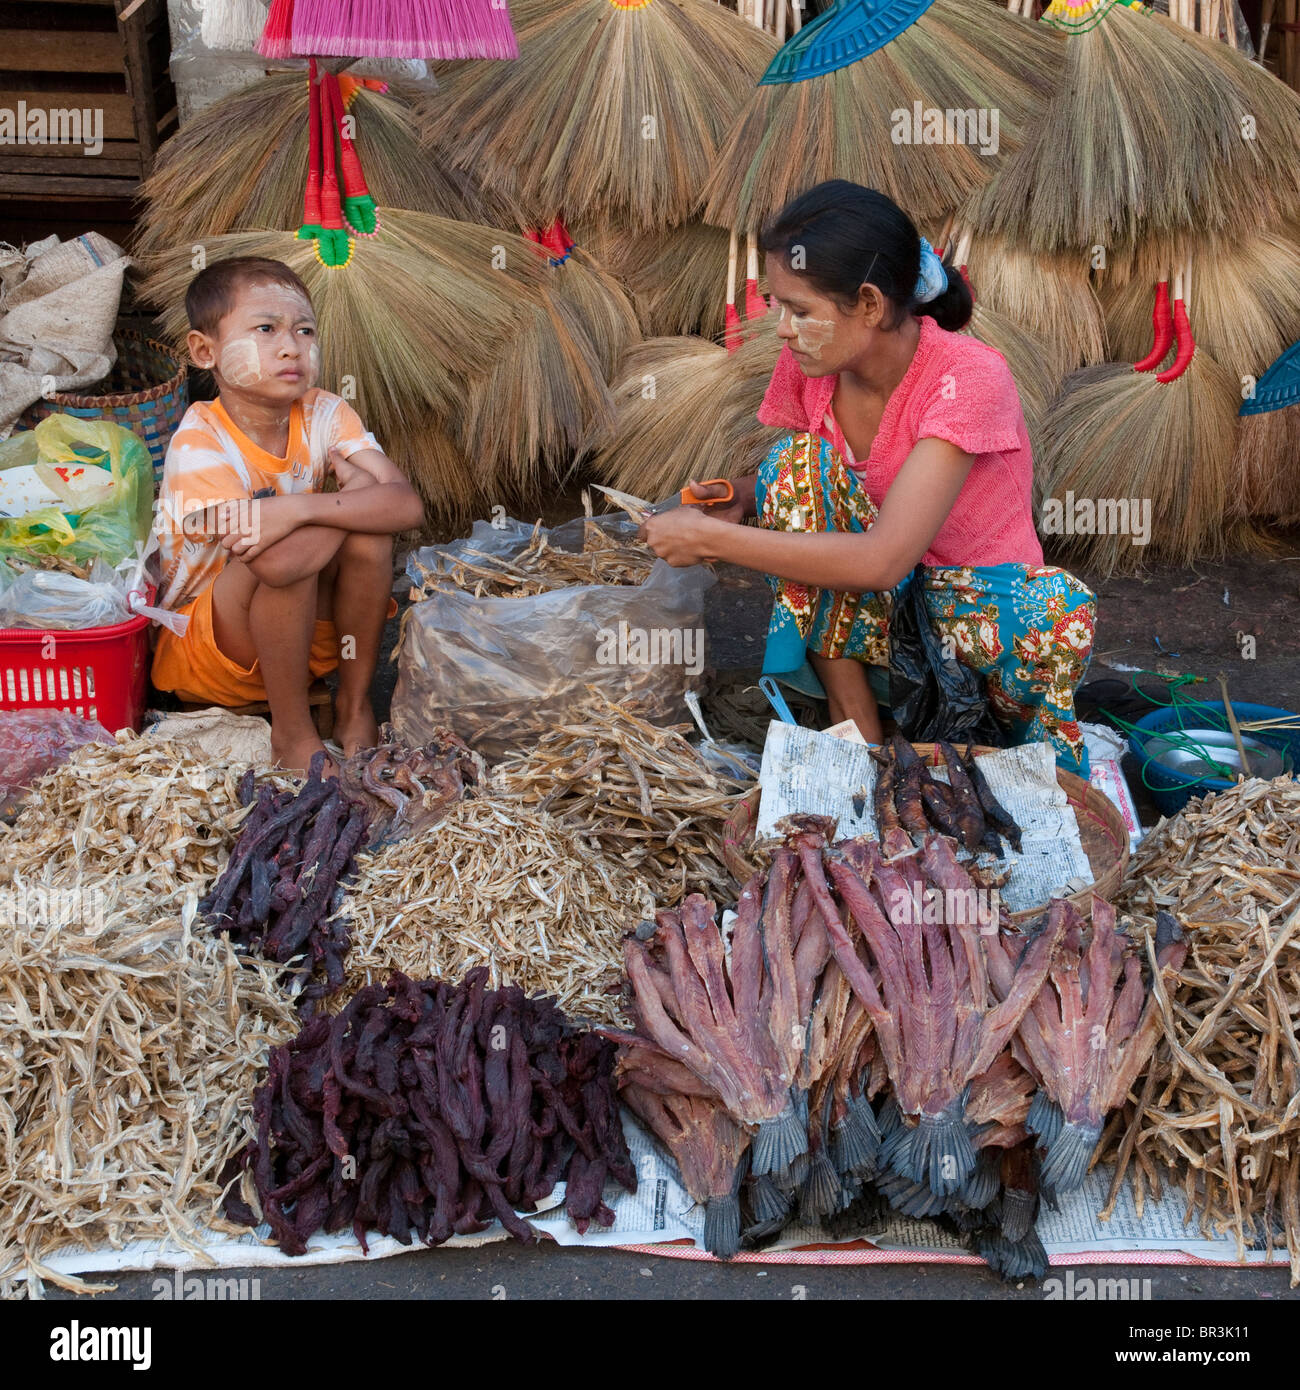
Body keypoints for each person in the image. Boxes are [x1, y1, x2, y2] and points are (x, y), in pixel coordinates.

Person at [641, 181, 1097, 774]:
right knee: (792, 468)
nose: (782, 327)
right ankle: (860, 736)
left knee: (1053, 611)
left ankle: (1008, 746)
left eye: (800, 310)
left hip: (970, 625)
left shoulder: (967, 378)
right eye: (780, 307)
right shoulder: (812, 362)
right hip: (872, 625)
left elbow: (884, 560)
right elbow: (812, 491)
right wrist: (742, 500)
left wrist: (710, 542)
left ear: (870, 305)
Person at [152, 256, 425, 774]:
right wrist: (354, 499)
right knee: (290, 552)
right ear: (204, 351)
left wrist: (298, 508)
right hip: (210, 654)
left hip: (304, 647)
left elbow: (405, 506)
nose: (290, 346)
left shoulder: (324, 411)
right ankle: (292, 732)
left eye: (305, 330)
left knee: (370, 540)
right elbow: (275, 565)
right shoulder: (199, 438)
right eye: (265, 329)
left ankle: (353, 705)